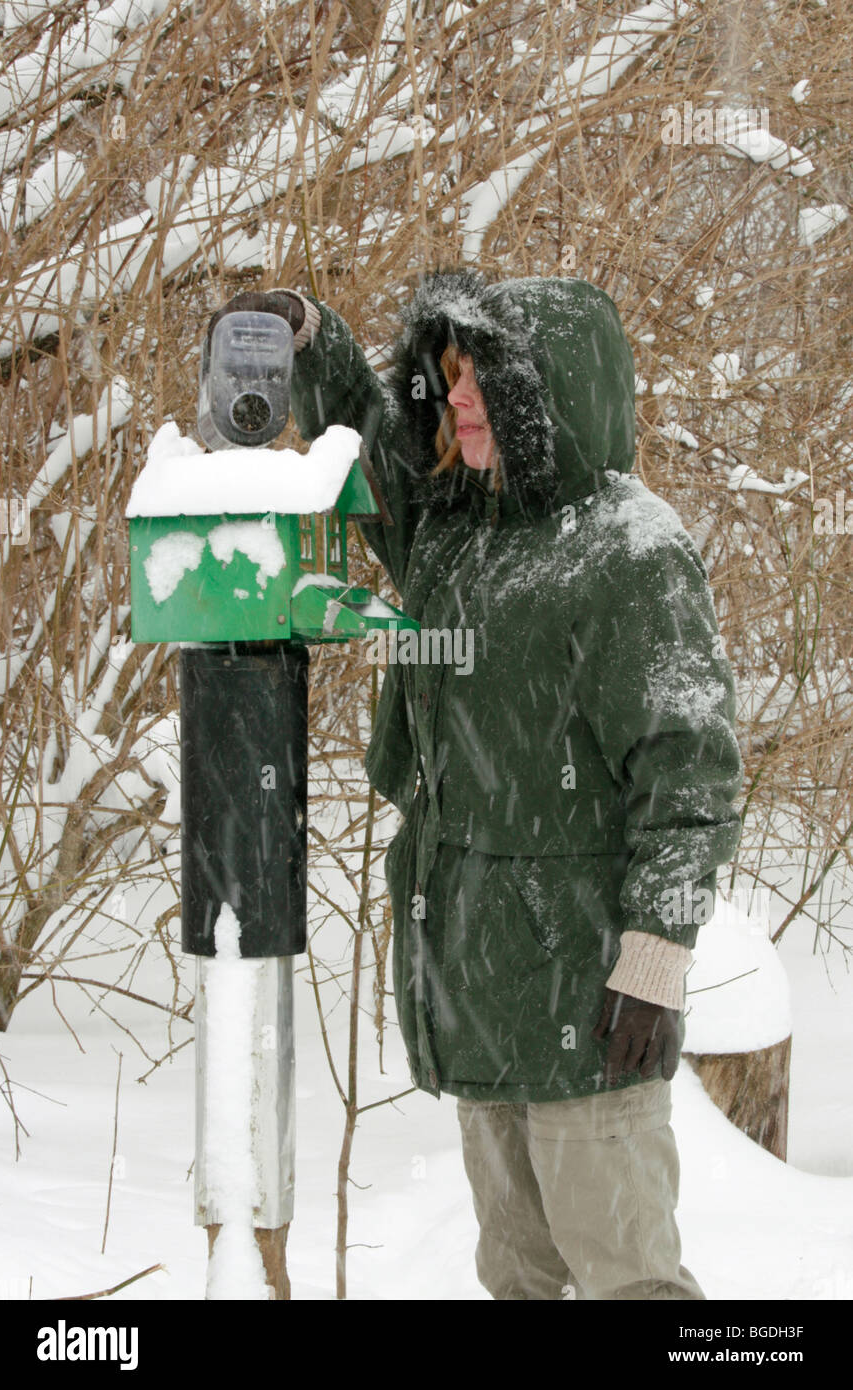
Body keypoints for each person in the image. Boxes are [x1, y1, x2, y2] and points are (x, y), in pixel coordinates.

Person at [222, 268, 744, 1299]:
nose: (455, 398)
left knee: (626, 1278)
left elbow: (688, 773)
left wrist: (654, 962)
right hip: (475, 983)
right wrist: (312, 341)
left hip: (588, 996)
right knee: (515, 1273)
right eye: (448, 377)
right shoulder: (455, 531)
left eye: (480, 381)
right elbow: (379, 444)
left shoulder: (629, 553)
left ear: (546, 394)